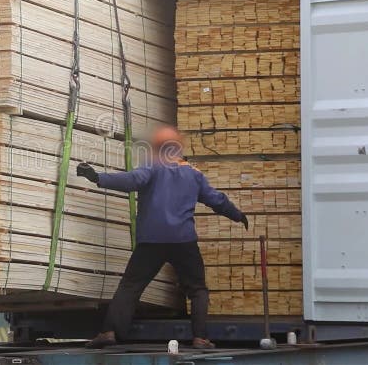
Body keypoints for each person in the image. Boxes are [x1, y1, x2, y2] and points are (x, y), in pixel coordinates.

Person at [77, 125, 248, 349]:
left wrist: (98, 177)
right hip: (183, 240)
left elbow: (131, 181)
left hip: (152, 239)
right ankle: (200, 338)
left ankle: (109, 332)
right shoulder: (194, 174)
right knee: (196, 289)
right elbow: (217, 200)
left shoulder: (152, 167)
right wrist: (237, 215)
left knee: (131, 286)